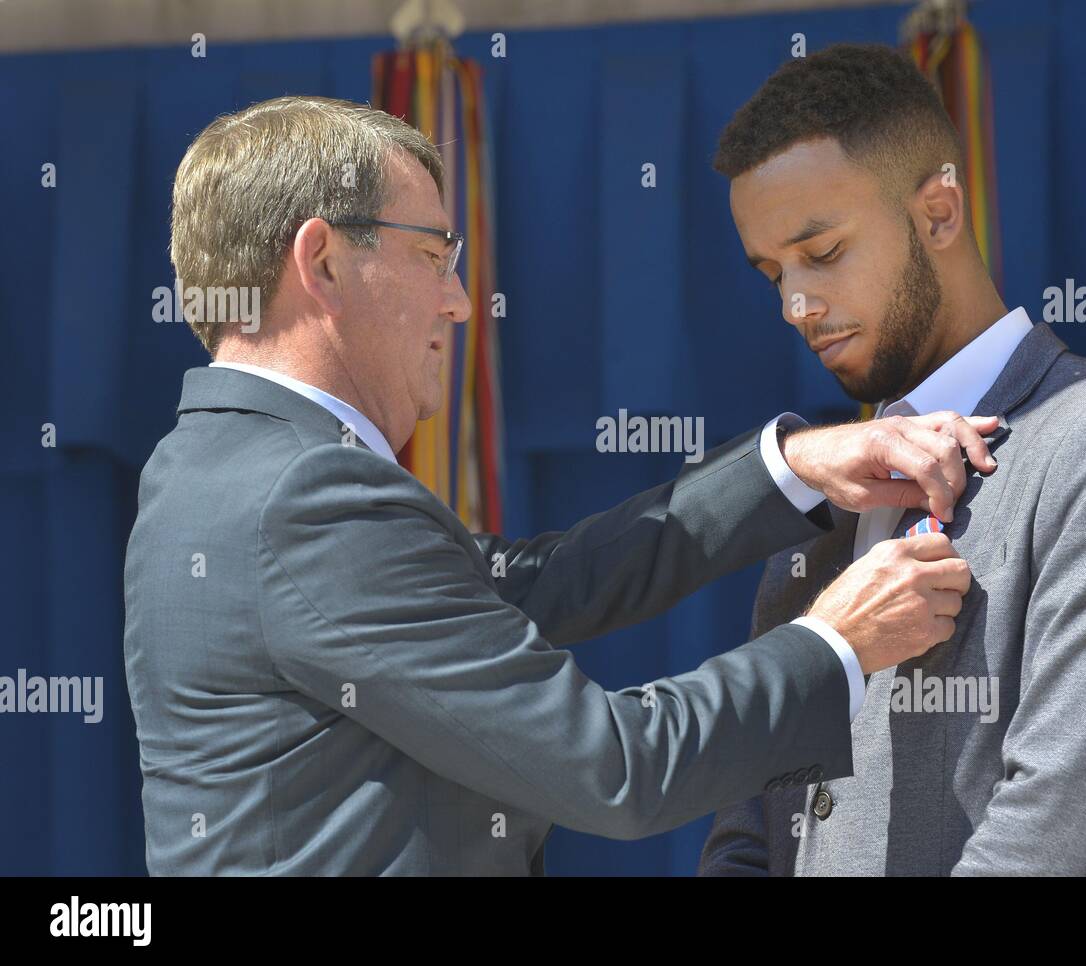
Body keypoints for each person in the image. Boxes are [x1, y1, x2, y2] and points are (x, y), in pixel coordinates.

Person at [123, 95, 1000, 875]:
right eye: (434, 254)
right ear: (320, 262)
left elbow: (527, 586)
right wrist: (839, 641)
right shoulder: (302, 495)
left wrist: (790, 466)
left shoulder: (209, 465)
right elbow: (615, 767)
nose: (459, 301)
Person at [698, 43, 1086, 876]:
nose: (797, 305)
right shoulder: (825, 491)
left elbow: (1057, 831)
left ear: (939, 213)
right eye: (773, 275)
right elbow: (749, 836)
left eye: (823, 252)